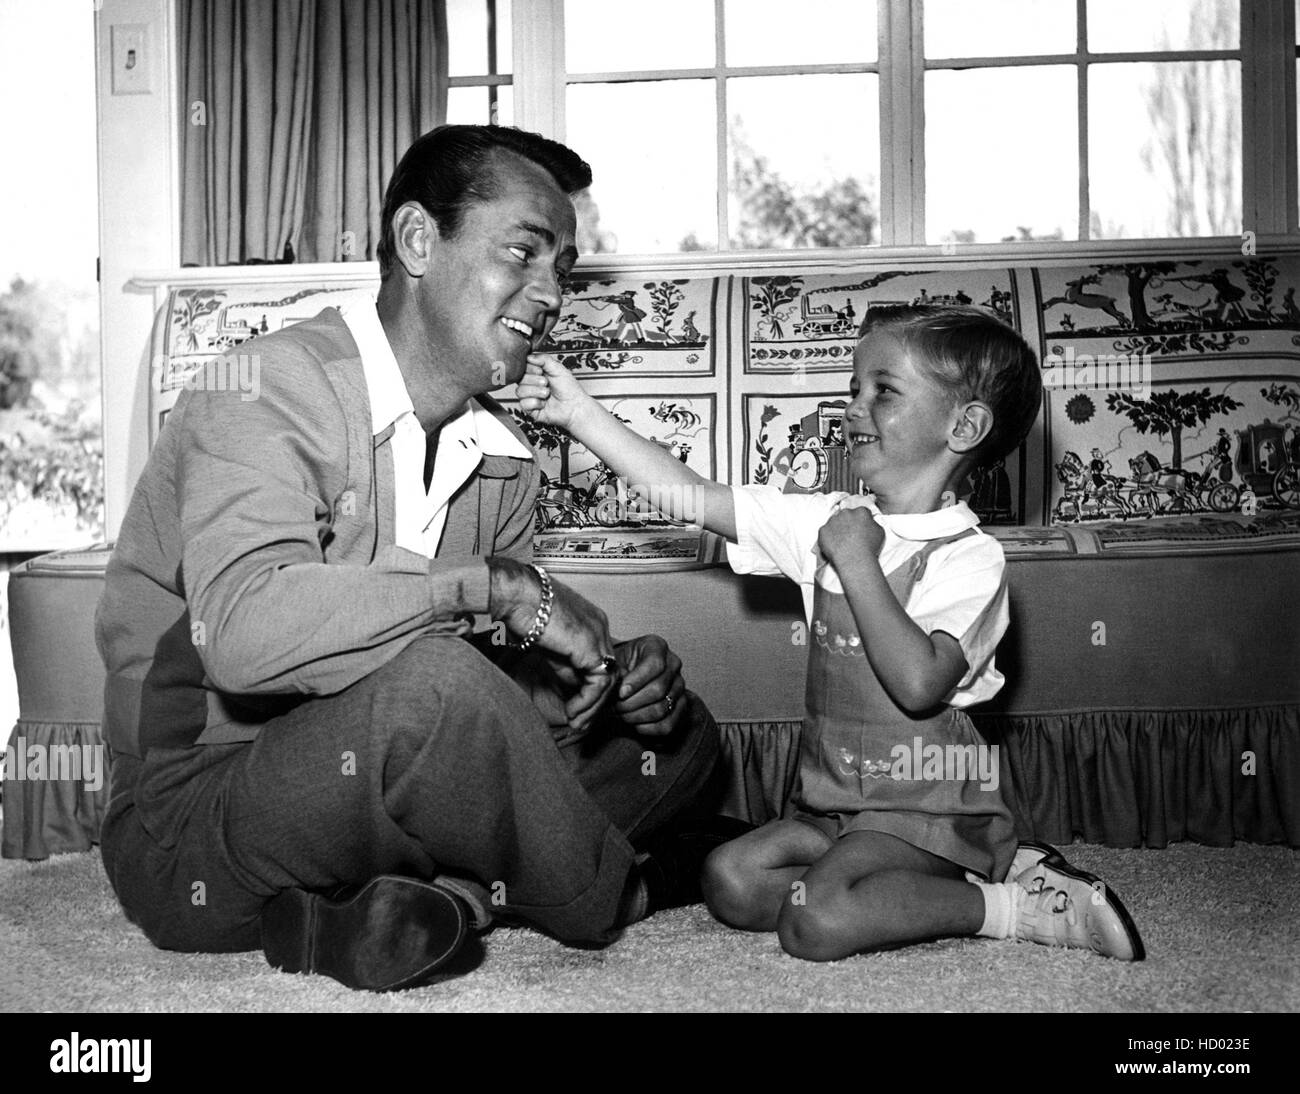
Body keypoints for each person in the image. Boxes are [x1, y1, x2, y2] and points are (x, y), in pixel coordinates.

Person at [96, 124, 740, 993]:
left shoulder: (502, 456)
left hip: (378, 791)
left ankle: (430, 905)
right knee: (432, 685)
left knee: (683, 731)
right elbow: (243, 636)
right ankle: (617, 892)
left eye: (565, 271)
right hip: (196, 816)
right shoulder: (262, 386)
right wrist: (493, 588)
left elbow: (499, 705)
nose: (550, 295)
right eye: (524, 253)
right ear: (416, 241)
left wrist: (603, 687)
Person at [518, 303, 1145, 963]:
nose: (853, 407)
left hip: (926, 804)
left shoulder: (968, 557)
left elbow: (918, 682)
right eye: (854, 388)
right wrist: (580, 416)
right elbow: (696, 500)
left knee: (814, 921)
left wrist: (855, 560)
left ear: (964, 426)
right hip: (834, 801)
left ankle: (1010, 905)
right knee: (730, 881)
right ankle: (947, 875)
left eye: (884, 391)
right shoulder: (828, 517)